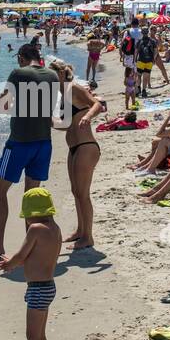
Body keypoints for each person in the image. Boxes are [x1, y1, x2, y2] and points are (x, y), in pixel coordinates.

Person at [0, 43, 59, 259]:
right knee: (31, 195)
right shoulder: (52, 75)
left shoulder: (18, 73)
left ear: (22, 58)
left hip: (20, 141)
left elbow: (2, 106)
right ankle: (30, 245)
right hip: (44, 142)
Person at [0, 188, 61, 340]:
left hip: (38, 289)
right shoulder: (54, 228)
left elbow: (22, 255)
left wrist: (8, 264)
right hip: (47, 286)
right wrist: (15, 261)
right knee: (39, 336)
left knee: (33, 336)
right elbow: (36, 255)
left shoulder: (35, 229)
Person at [50, 59, 103, 249]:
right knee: (76, 192)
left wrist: (88, 116)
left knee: (83, 194)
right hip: (74, 148)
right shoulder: (63, 95)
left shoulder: (73, 88)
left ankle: (88, 237)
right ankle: (80, 231)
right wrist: (49, 121)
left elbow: (97, 104)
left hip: (86, 146)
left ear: (62, 74)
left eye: (53, 76)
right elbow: (66, 125)